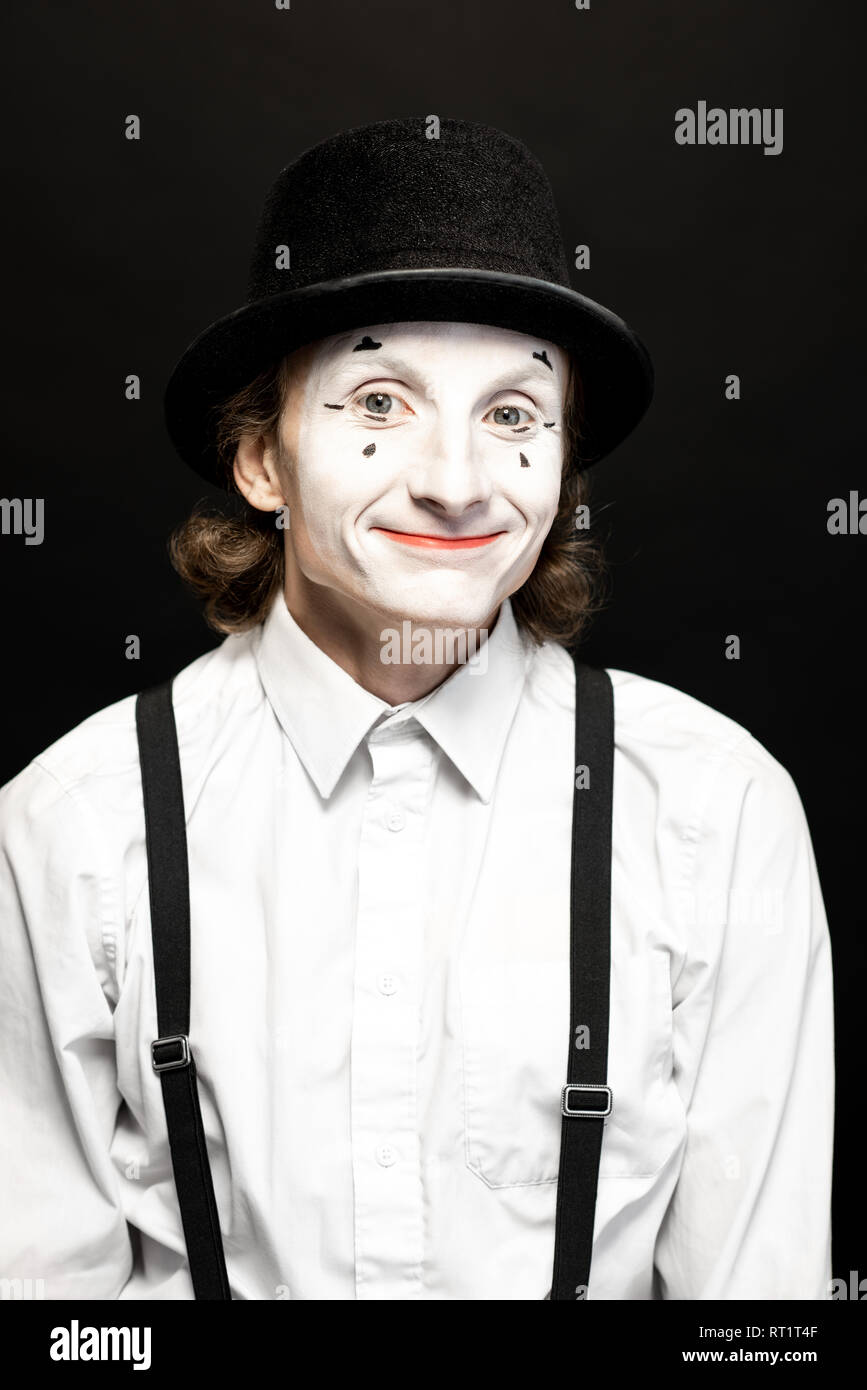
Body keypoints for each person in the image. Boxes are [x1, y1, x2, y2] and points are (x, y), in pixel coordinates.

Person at [0, 117, 833, 1300]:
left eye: (511, 414)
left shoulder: (718, 808)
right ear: (262, 460)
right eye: (379, 401)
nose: (454, 482)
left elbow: (759, 1324)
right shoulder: (68, 829)